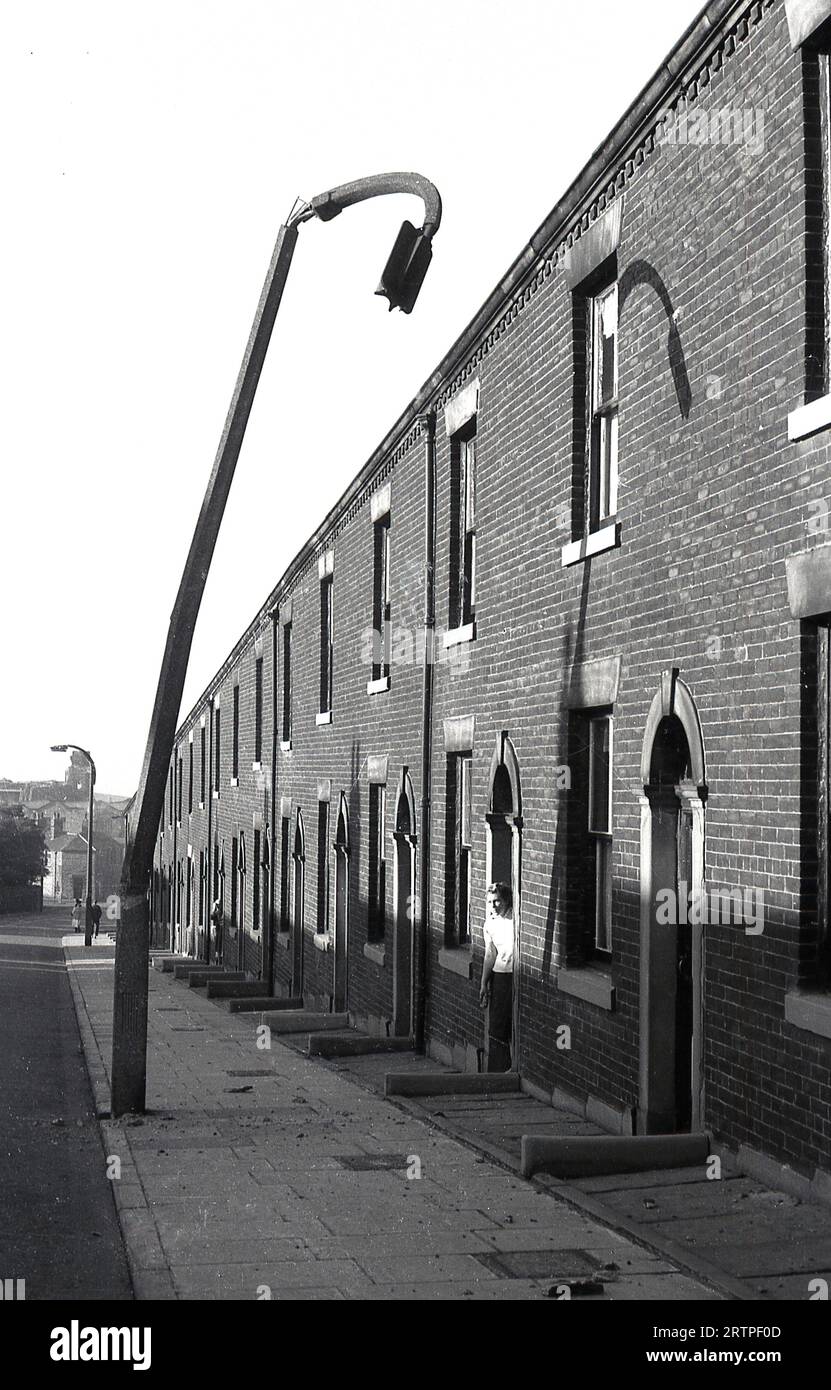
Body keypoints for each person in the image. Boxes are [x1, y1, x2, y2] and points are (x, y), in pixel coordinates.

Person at [479, 881, 514, 1072]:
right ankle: (499, 1069)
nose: (493, 906)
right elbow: (489, 954)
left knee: (512, 1023)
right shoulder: (490, 925)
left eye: (497, 901)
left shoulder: (516, 921)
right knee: (497, 1025)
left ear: (507, 900)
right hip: (500, 977)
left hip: (515, 975)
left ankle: (511, 1066)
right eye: (490, 902)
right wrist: (484, 983)